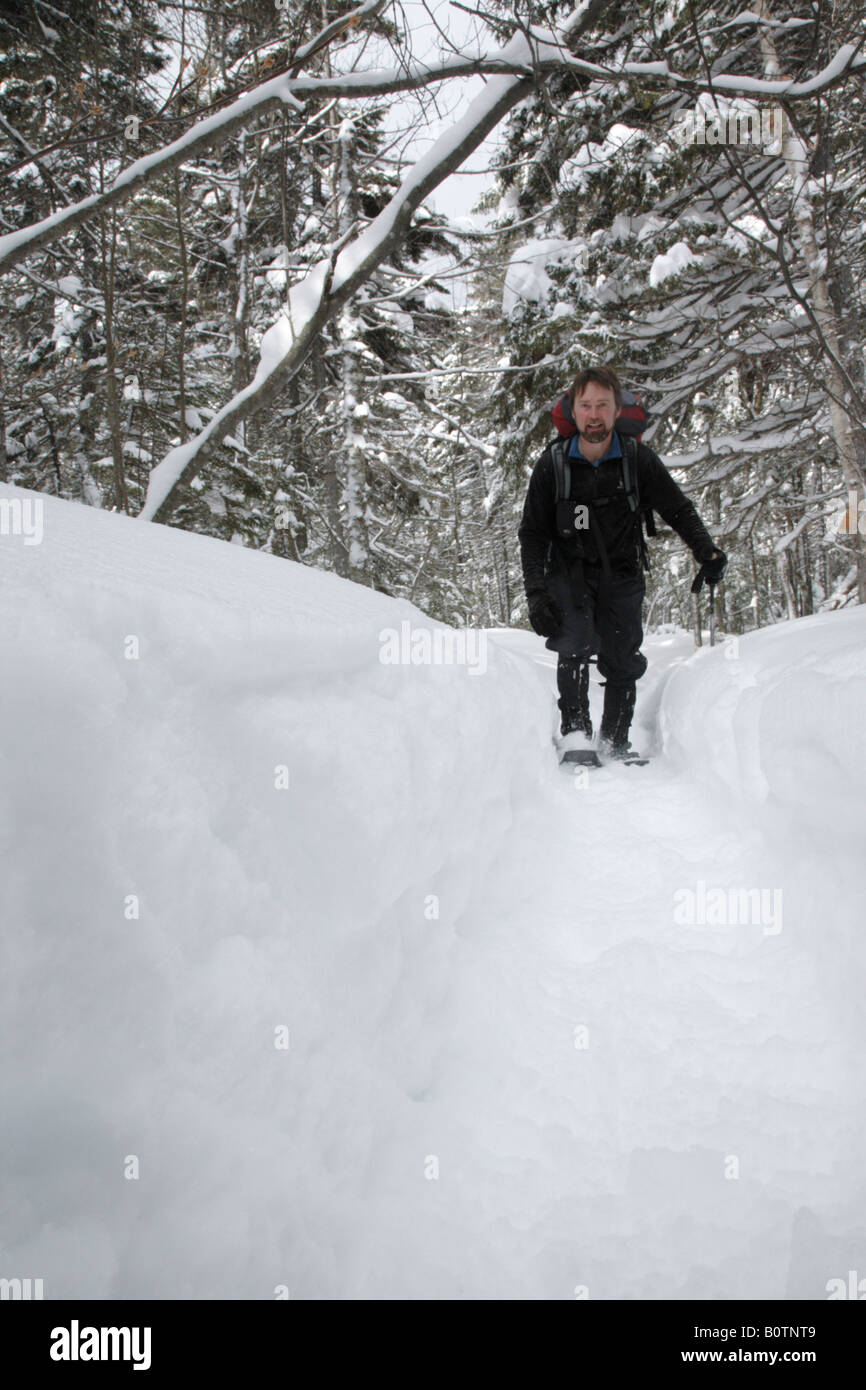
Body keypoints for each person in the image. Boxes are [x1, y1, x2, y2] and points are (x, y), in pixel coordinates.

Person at [518, 365, 727, 758]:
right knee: (574, 645)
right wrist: (536, 592)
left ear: (616, 411)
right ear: (573, 411)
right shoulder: (553, 465)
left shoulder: (637, 460)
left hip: (623, 572)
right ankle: (577, 737)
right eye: (585, 406)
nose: (593, 414)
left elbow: (677, 508)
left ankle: (615, 742)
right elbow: (532, 533)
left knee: (621, 656)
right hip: (569, 573)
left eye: (602, 405)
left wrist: (706, 551)